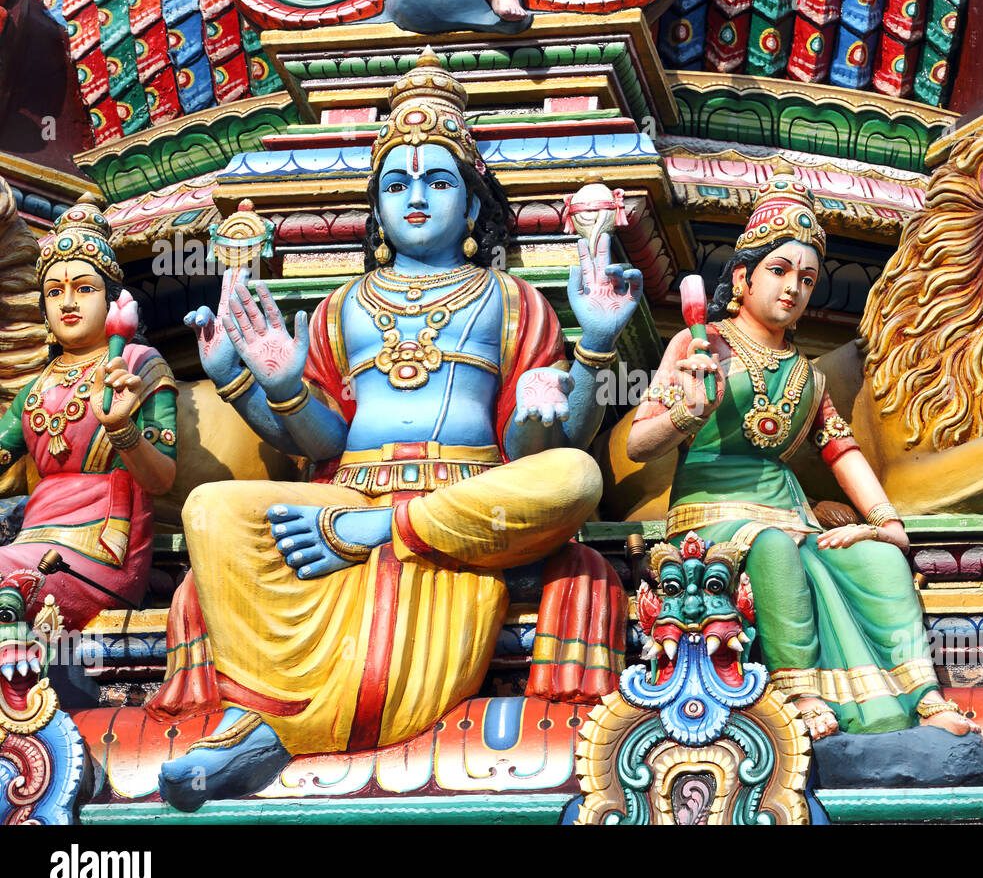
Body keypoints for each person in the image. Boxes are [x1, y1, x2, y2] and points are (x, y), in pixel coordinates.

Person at [156, 50, 642, 810]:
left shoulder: (512, 301)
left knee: (576, 481)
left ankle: (377, 547)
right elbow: (317, 443)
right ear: (376, 208)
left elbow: (541, 450)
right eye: (396, 183)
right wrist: (259, 384)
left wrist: (599, 344)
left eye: (438, 180)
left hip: (464, 500)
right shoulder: (341, 307)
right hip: (345, 496)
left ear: (474, 204)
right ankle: (258, 716)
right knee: (210, 510)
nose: (416, 196)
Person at [625, 173, 976, 740]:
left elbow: (842, 450)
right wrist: (688, 412)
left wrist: (887, 523)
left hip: (792, 515)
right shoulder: (699, 345)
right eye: (780, 270)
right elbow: (639, 446)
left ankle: (923, 694)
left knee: (879, 562)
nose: (794, 288)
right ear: (742, 277)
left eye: (808, 279)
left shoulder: (808, 377)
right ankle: (800, 691)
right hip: (714, 516)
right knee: (772, 550)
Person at [0, 196, 177, 631]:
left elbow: (161, 479)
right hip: (32, 537)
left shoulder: (138, 364)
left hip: (100, 549)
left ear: (115, 302)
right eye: (55, 292)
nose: (67, 303)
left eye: (84, 288)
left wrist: (120, 426)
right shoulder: (36, 386)